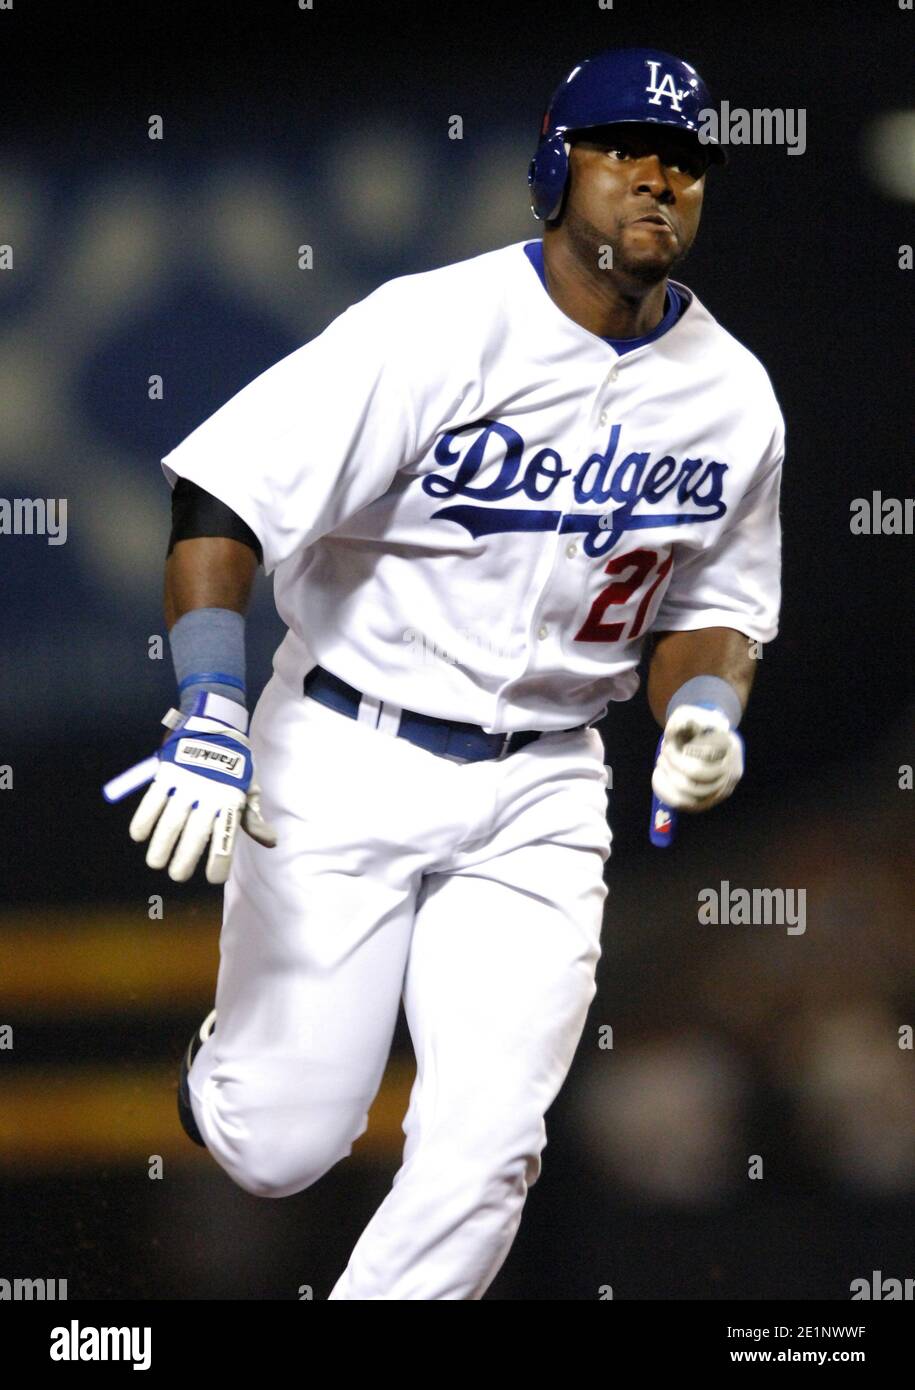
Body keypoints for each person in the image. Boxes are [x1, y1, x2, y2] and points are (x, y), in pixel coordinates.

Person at [104, 47, 784, 1299]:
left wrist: (701, 704)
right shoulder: (433, 327)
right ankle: (232, 1078)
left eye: (682, 158)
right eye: (621, 147)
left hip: (547, 789)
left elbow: (720, 610)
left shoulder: (735, 398)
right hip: (349, 747)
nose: (656, 177)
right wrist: (207, 700)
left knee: (485, 1150)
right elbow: (225, 490)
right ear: (550, 166)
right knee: (279, 1145)